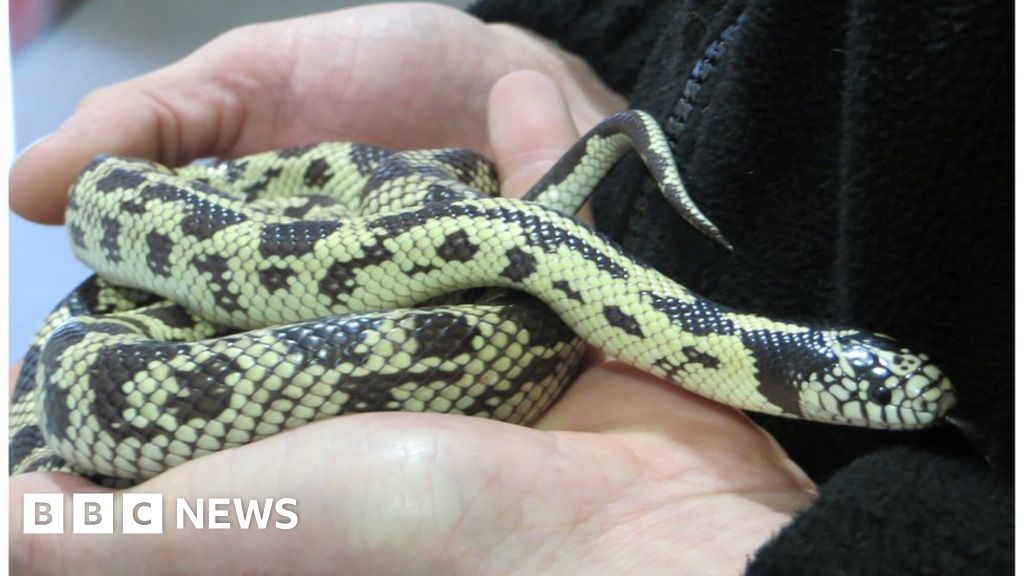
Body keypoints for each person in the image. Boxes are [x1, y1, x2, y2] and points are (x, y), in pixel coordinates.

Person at [9, 1, 1011, 574]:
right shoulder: (637, 308)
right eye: (872, 387)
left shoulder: (647, 323)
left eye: (872, 389)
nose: (899, 401)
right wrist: (565, 40)